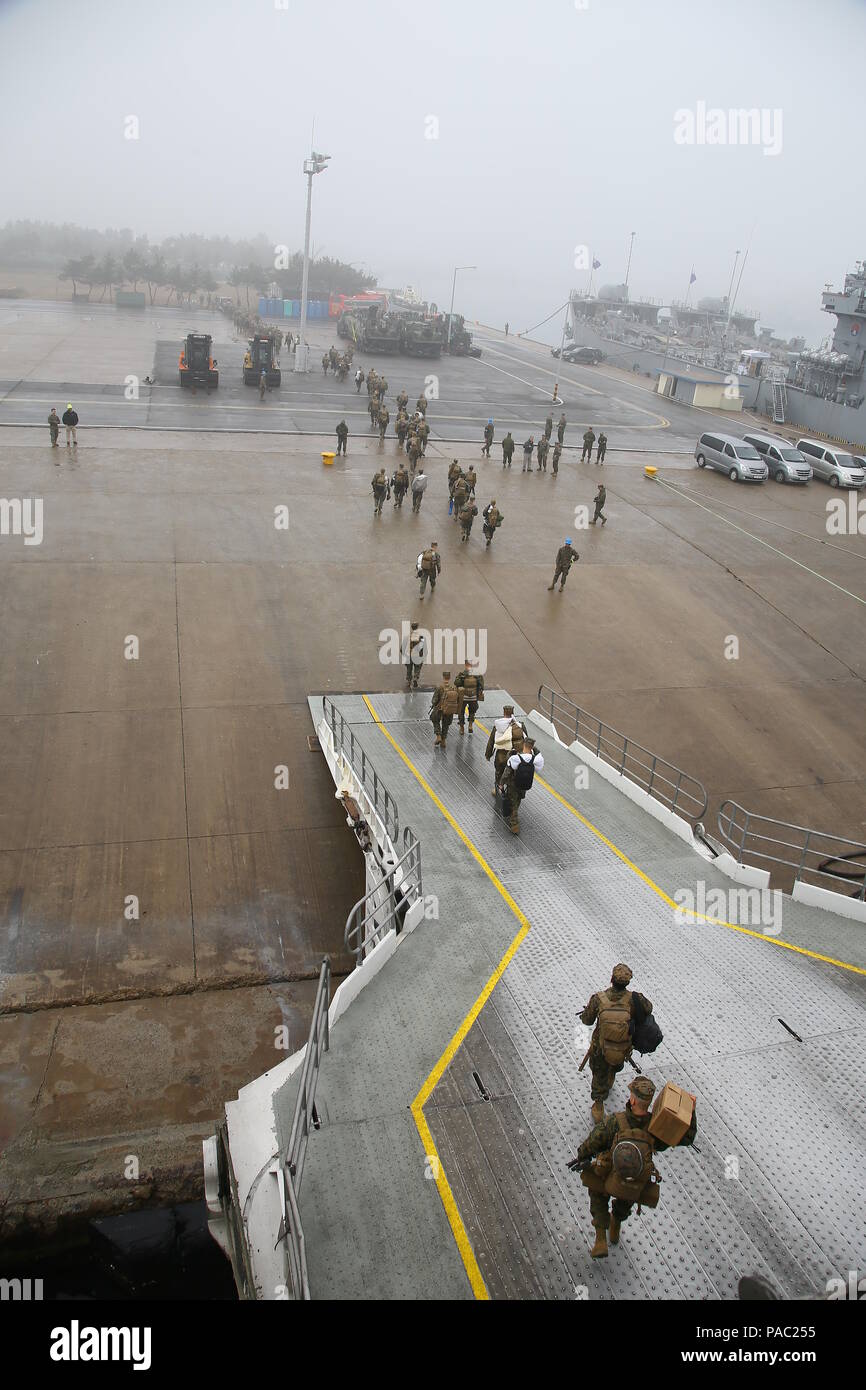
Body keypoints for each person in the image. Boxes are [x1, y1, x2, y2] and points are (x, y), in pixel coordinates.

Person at [569, 1075, 697, 1259]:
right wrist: (691, 1109)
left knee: (597, 1194)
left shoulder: (615, 1121)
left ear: (633, 1099)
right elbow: (686, 1138)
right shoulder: (656, 1128)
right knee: (627, 1197)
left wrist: (582, 1156)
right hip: (635, 1180)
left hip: (609, 1173)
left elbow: (592, 1142)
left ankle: (600, 1239)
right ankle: (616, 1224)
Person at [578, 964, 654, 1123]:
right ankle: (611, 1078)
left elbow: (587, 1021)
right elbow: (649, 1009)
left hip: (601, 1048)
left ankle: (598, 1106)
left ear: (612, 979)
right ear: (627, 982)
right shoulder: (635, 999)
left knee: (599, 1074)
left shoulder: (598, 998)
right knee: (615, 1064)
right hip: (623, 1047)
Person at [499, 736, 544, 834]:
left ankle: (514, 824)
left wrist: (501, 784)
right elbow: (539, 755)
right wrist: (534, 748)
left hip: (513, 785)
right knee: (517, 801)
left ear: (523, 745)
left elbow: (506, 772)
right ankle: (513, 816)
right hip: (524, 785)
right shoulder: (535, 760)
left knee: (513, 803)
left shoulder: (516, 758)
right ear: (531, 747)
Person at [485, 706, 527, 795]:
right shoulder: (520, 725)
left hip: (501, 755)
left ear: (504, 713)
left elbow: (491, 741)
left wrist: (488, 754)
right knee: (513, 772)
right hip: (515, 755)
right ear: (513, 713)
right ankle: (513, 791)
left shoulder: (498, 726)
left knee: (499, 772)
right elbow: (526, 738)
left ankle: (498, 789)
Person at [430, 669, 459, 748]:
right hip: (449, 709)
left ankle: (438, 735)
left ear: (443, 677)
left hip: (440, 709)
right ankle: (443, 741)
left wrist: (434, 705)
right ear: (449, 677)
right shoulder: (453, 688)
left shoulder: (440, 687)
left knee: (434, 719)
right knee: (446, 724)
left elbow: (434, 701)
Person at [455, 661, 484, 734]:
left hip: (463, 697)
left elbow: (456, 683)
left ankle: (462, 728)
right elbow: (482, 685)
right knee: (472, 712)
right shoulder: (477, 675)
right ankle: (470, 725)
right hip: (473, 697)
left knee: (461, 712)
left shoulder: (462, 674)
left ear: (465, 665)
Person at [402, 621, 427, 688]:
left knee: (409, 669)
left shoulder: (407, 637)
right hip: (417, 656)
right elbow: (424, 648)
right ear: (417, 627)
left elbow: (402, 648)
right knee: (417, 668)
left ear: (412, 627)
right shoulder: (421, 637)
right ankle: (415, 678)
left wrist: (405, 655)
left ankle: (409, 681)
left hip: (409, 656)